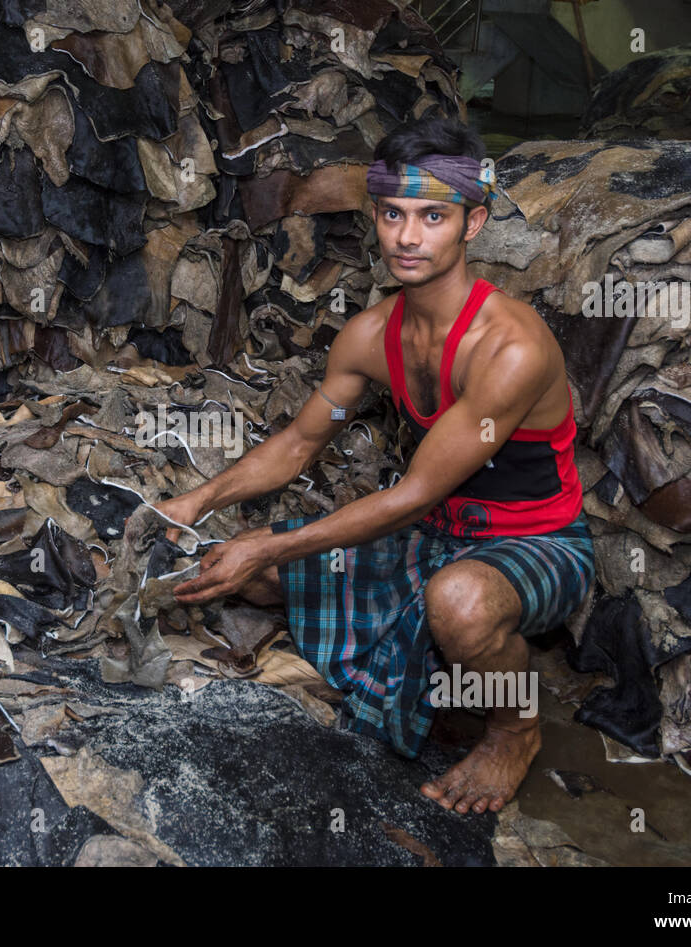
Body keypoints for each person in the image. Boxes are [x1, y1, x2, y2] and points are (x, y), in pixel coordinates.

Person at [156, 115, 595, 816]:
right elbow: (300, 444)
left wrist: (274, 538)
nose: (408, 237)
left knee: (459, 603)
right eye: (392, 214)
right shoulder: (370, 336)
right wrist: (194, 503)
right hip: (437, 538)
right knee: (251, 576)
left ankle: (516, 728)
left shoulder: (510, 346)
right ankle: (425, 635)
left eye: (432, 216)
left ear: (472, 225)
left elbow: (416, 493)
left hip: (535, 542)